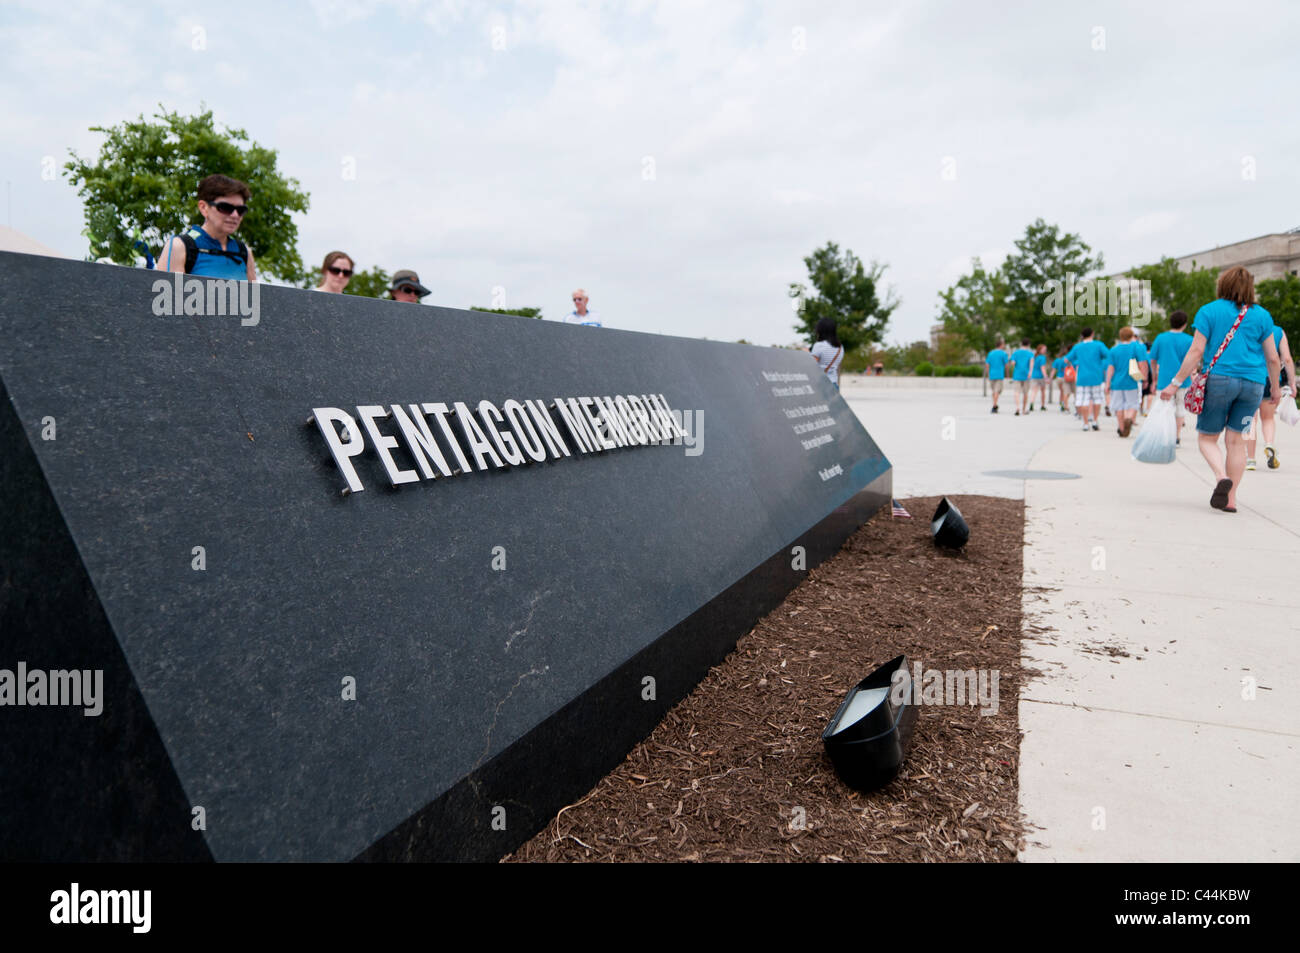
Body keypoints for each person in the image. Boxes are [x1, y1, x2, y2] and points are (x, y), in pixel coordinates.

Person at [1159, 266, 1281, 513]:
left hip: (1220, 381)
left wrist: (1175, 383)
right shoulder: (1262, 316)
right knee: (1236, 443)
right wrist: (1276, 388)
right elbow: (1273, 359)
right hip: (1254, 385)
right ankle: (1231, 499)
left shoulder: (1209, 311)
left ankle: (1220, 477)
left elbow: (1196, 351)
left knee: (1207, 438)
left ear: (1222, 285)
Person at [158, 174, 257, 281]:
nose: (235, 215)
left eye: (240, 210)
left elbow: (255, 297)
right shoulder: (179, 246)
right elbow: (166, 295)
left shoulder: (244, 252)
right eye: (225, 208)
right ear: (203, 207)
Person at [1245, 324, 1296, 470]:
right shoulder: (1279, 331)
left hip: (1251, 377)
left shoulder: (1248, 327)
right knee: (1267, 418)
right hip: (1271, 379)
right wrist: (1292, 382)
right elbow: (1286, 358)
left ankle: (1250, 459)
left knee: (1250, 420)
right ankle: (1268, 444)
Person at [1148, 310, 1194, 446]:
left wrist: (1154, 378)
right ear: (1185, 324)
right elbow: (1192, 361)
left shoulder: (1161, 338)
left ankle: (1164, 436)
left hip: (1164, 379)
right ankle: (1177, 437)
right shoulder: (1189, 340)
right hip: (1183, 380)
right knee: (1180, 408)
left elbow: (1153, 360)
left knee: (1163, 409)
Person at [1103, 326, 1148, 438]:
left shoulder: (1114, 350)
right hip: (1132, 381)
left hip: (1117, 383)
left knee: (1118, 406)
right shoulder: (1136, 347)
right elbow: (1143, 364)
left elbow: (1110, 368)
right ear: (1132, 335)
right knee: (1132, 404)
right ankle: (1128, 418)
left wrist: (1108, 383)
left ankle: (1121, 428)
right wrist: (1144, 378)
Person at [1066, 328, 1109, 432]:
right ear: (1092, 334)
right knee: (1097, 399)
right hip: (1096, 376)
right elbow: (1108, 355)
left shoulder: (1077, 347)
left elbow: (1066, 359)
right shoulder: (1098, 345)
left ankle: (1085, 423)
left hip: (1082, 377)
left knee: (1084, 401)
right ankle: (1094, 420)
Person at [810, 317, 844, 389]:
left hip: (821, 385)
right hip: (834, 384)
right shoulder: (840, 347)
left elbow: (812, 366)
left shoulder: (819, 345)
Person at [1009, 338, 1034, 415]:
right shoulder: (1030, 353)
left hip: (1017, 374)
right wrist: (1030, 372)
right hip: (1026, 375)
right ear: (1029, 344)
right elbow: (1031, 363)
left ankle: (1017, 408)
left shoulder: (1016, 353)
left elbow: (1012, 363)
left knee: (1016, 392)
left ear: (1021, 344)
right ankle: (1023, 409)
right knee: (1025, 393)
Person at [985, 338, 1010, 413]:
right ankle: (994, 406)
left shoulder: (991, 353)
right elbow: (1006, 365)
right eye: (1003, 344)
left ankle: (995, 404)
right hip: (999, 375)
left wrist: (987, 374)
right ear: (1001, 345)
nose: (1004, 346)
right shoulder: (1003, 353)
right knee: (997, 391)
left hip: (992, 375)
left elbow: (987, 364)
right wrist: (1008, 374)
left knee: (994, 391)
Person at [1031, 344, 1049, 411]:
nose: (1045, 351)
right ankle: (1042, 405)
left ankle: (1031, 403)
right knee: (1043, 391)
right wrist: (1046, 377)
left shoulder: (1034, 356)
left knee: (1034, 391)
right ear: (1040, 350)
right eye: (1044, 349)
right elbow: (1042, 368)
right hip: (1041, 376)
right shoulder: (1042, 357)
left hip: (1034, 375)